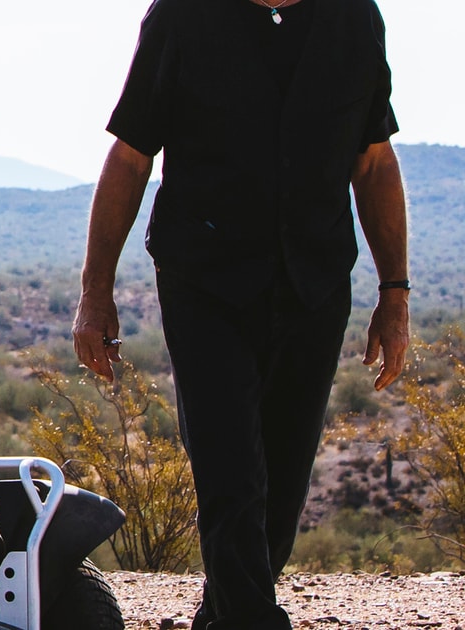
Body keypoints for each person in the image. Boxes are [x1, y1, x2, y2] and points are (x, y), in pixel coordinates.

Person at [71, 0, 410, 628]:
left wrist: (395, 293)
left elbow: (374, 161)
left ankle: (225, 614)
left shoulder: (355, 18)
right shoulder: (180, 15)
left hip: (315, 285)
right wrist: (96, 292)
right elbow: (130, 157)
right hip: (206, 285)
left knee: (282, 485)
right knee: (232, 477)